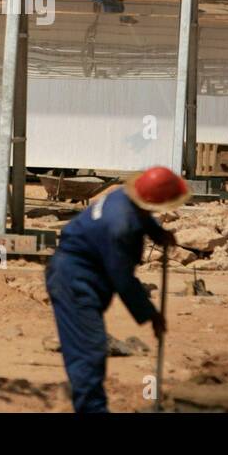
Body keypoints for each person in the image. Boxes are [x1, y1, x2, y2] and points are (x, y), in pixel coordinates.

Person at [44, 166, 185, 413]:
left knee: (90, 348)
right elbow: (123, 280)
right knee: (88, 351)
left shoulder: (124, 196)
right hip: (73, 280)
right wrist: (151, 314)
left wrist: (157, 233)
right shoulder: (118, 226)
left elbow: (141, 214)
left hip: (82, 273)